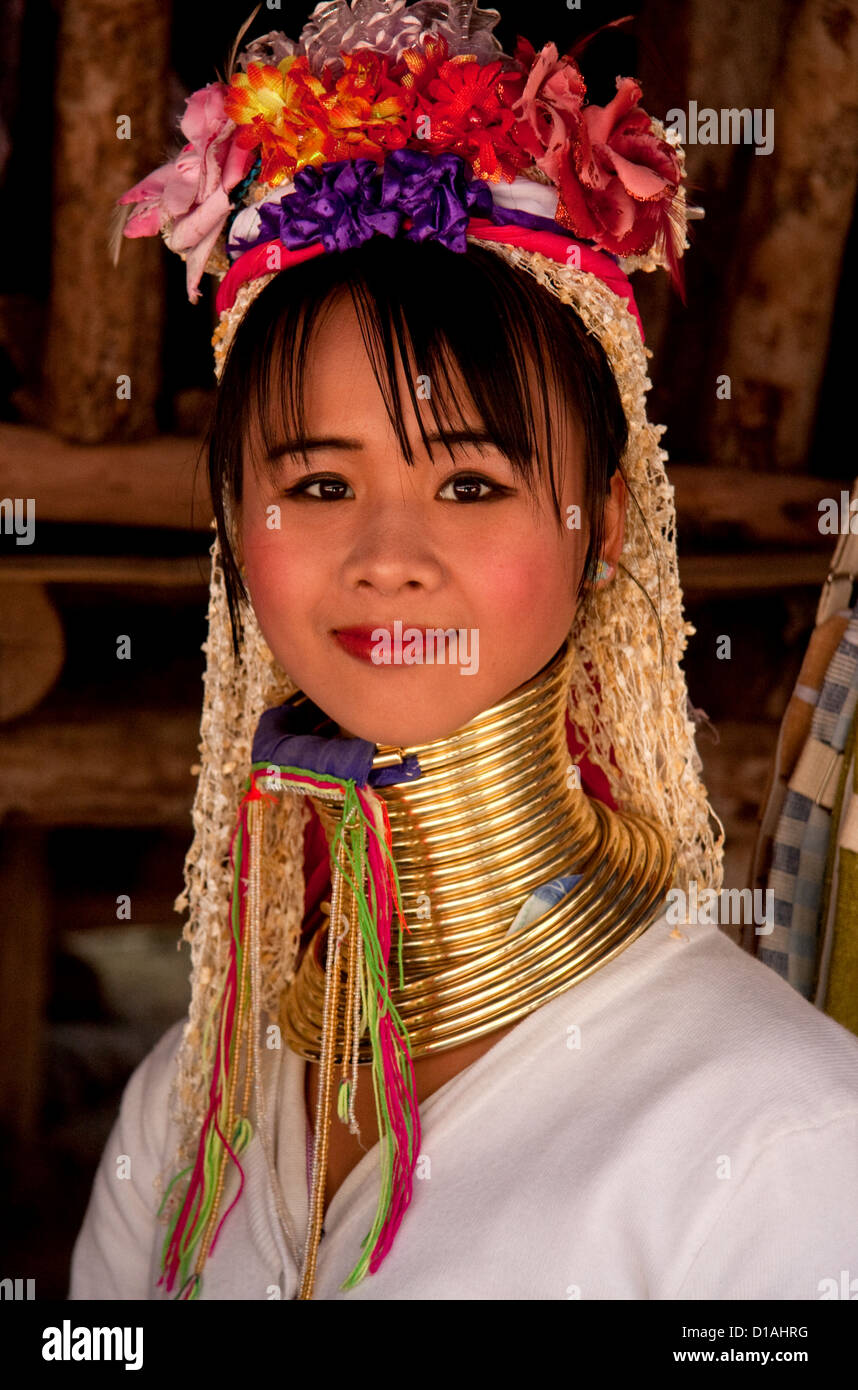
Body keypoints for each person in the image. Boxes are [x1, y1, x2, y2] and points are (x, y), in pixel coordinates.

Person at [70, 1, 858, 1301]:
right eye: (318, 485)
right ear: (231, 529)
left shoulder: (775, 1143)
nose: (389, 552)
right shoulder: (190, 1107)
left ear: (600, 522)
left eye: (472, 483)